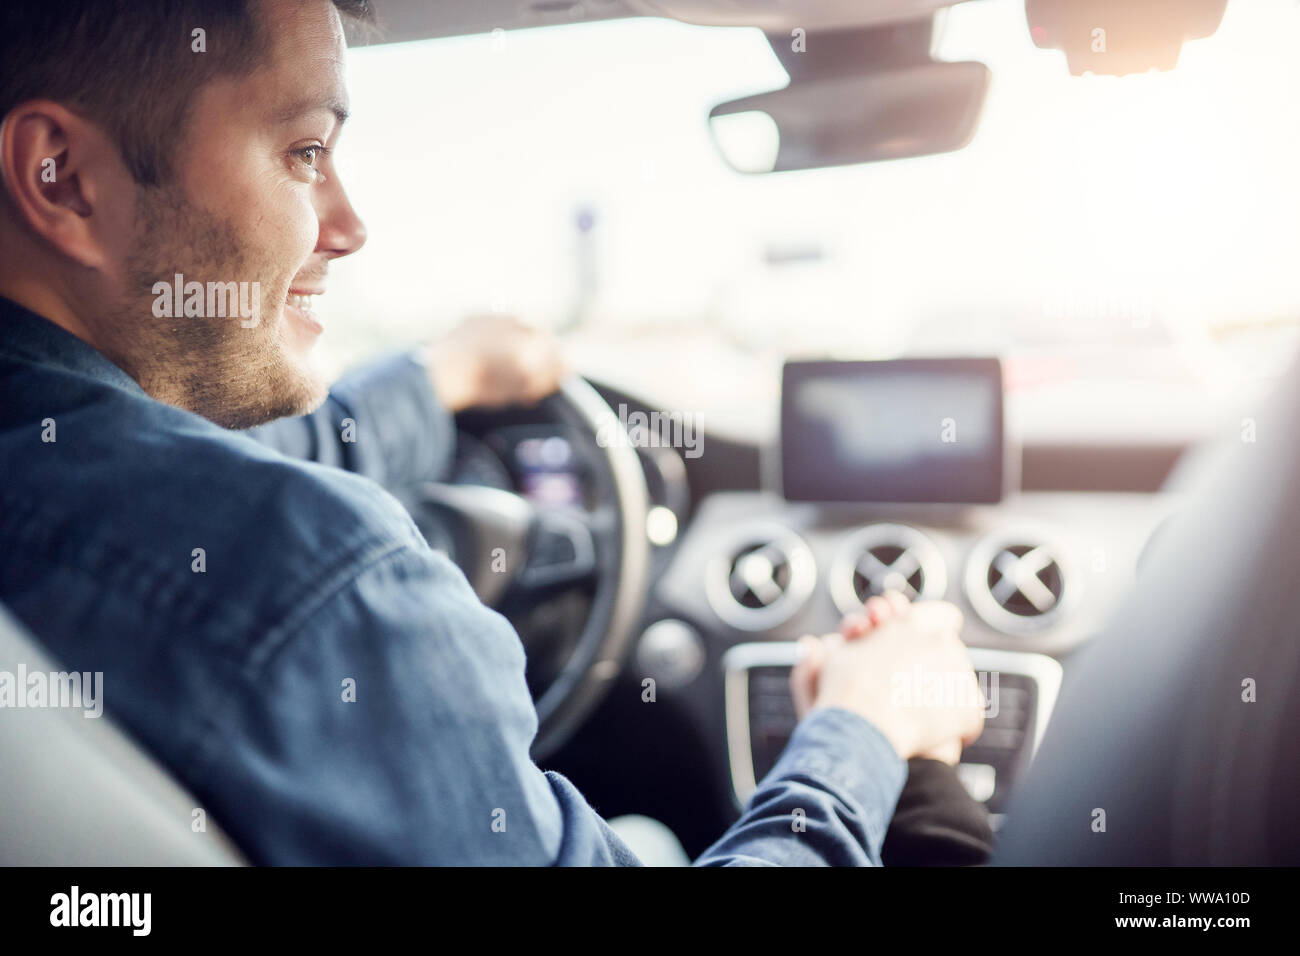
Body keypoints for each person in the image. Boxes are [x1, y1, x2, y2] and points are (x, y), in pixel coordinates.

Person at [0, 0, 986, 865]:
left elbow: (232, 476)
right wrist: (863, 730)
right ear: (62, 176)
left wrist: (441, 376)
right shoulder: (321, 580)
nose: (348, 224)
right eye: (305, 152)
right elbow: (270, 538)